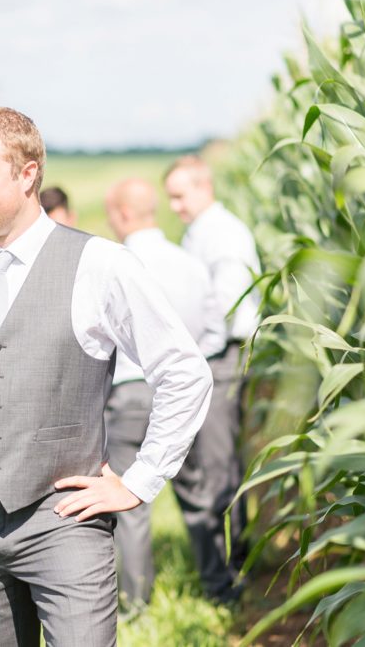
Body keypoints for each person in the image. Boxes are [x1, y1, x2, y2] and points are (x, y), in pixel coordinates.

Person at [0, 107, 213, 646]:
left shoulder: (101, 265)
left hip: (65, 522)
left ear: (28, 174)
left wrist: (139, 481)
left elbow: (184, 371)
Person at [103, 178, 226, 611]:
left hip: (131, 395)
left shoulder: (116, 265)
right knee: (196, 493)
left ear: (122, 213)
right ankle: (219, 586)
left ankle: (135, 603)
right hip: (185, 393)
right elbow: (215, 332)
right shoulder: (190, 264)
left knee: (130, 504)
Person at [163, 155, 261, 604]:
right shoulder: (199, 231)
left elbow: (226, 303)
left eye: (180, 196)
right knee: (218, 461)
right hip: (211, 355)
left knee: (218, 465)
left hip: (220, 357)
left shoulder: (223, 234)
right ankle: (232, 559)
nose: (175, 206)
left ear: (204, 187)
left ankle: (232, 568)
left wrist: (189, 352)